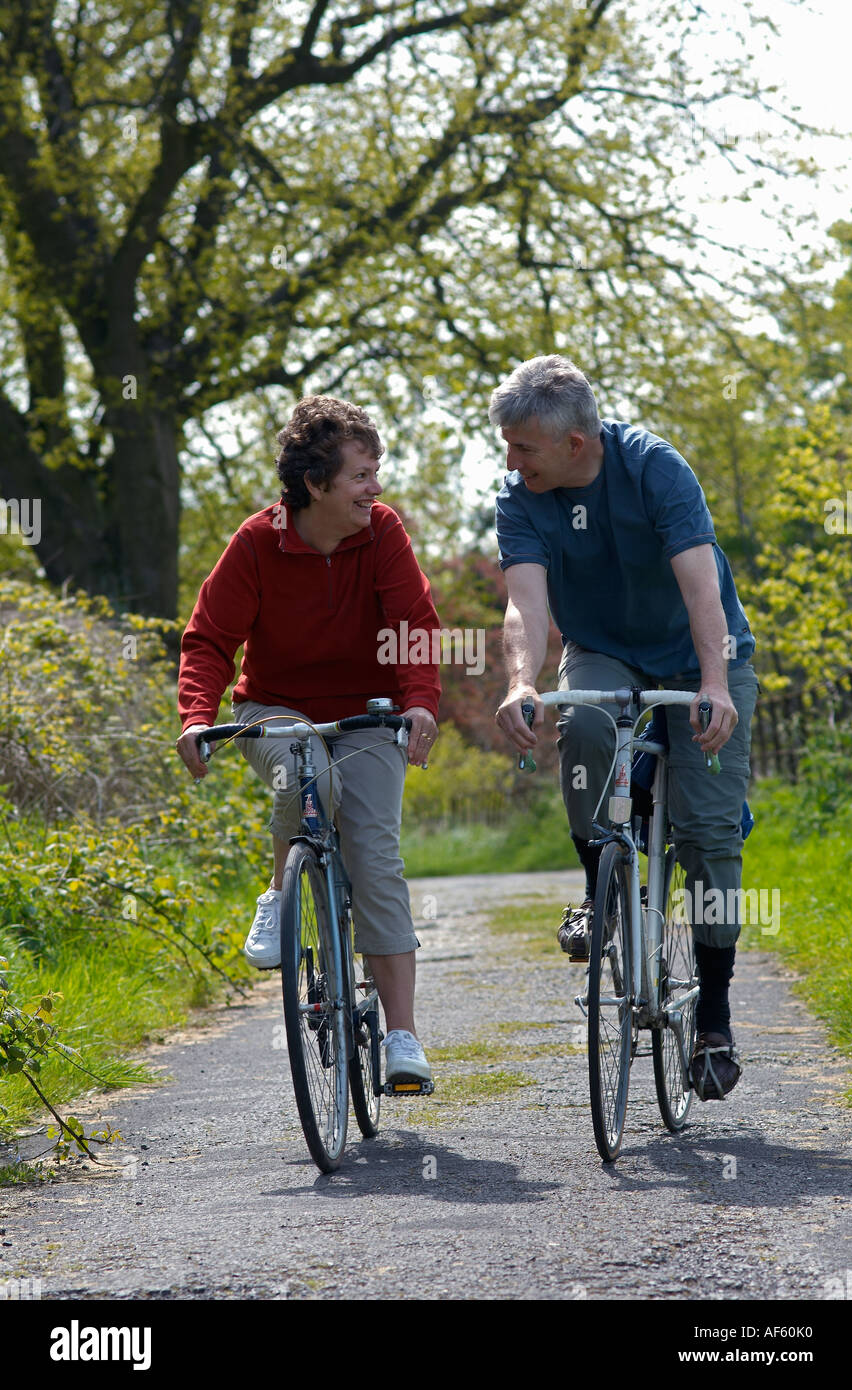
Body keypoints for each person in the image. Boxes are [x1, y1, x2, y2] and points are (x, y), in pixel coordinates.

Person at [491, 355, 758, 1101]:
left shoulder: (654, 470)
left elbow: (699, 583)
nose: (511, 462)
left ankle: (713, 1013)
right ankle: (597, 887)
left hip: (698, 653)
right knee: (581, 728)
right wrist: (521, 683)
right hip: (602, 651)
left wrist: (712, 682)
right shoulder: (520, 496)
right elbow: (525, 603)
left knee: (709, 838)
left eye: (523, 448)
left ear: (575, 443)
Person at [175, 395, 441, 1086]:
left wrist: (417, 706)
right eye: (360, 475)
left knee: (375, 855)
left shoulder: (382, 533)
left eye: (374, 472)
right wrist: (196, 716)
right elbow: (208, 640)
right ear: (316, 484)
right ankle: (278, 893)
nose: (374, 488)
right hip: (275, 708)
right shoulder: (257, 544)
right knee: (303, 769)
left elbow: (413, 621)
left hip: (368, 715)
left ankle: (402, 1038)